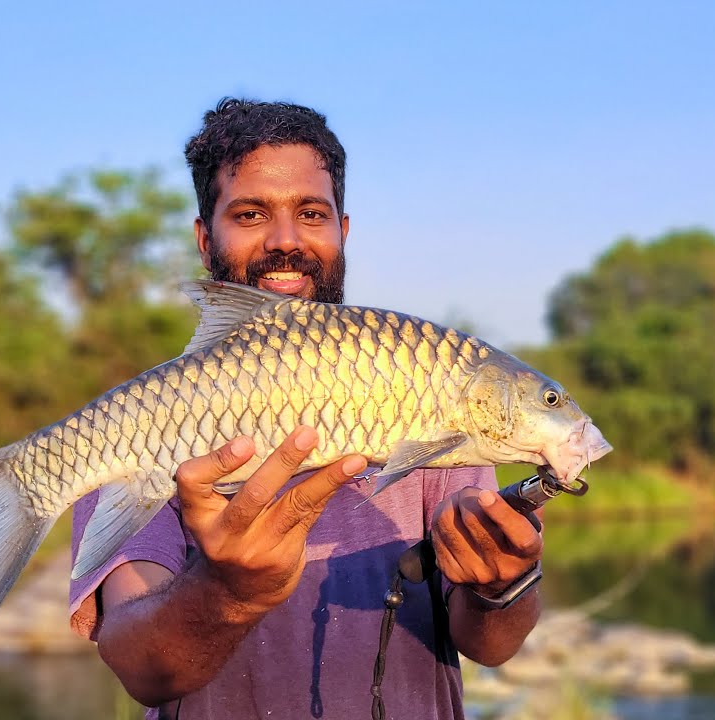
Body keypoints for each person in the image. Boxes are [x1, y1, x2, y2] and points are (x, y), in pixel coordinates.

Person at [69, 98, 544, 719]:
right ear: (204, 236)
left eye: (311, 213)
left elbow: (487, 644)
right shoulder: (143, 419)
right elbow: (145, 669)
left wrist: (501, 586)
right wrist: (228, 593)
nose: (286, 241)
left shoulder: (425, 386)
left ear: (342, 231)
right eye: (250, 214)